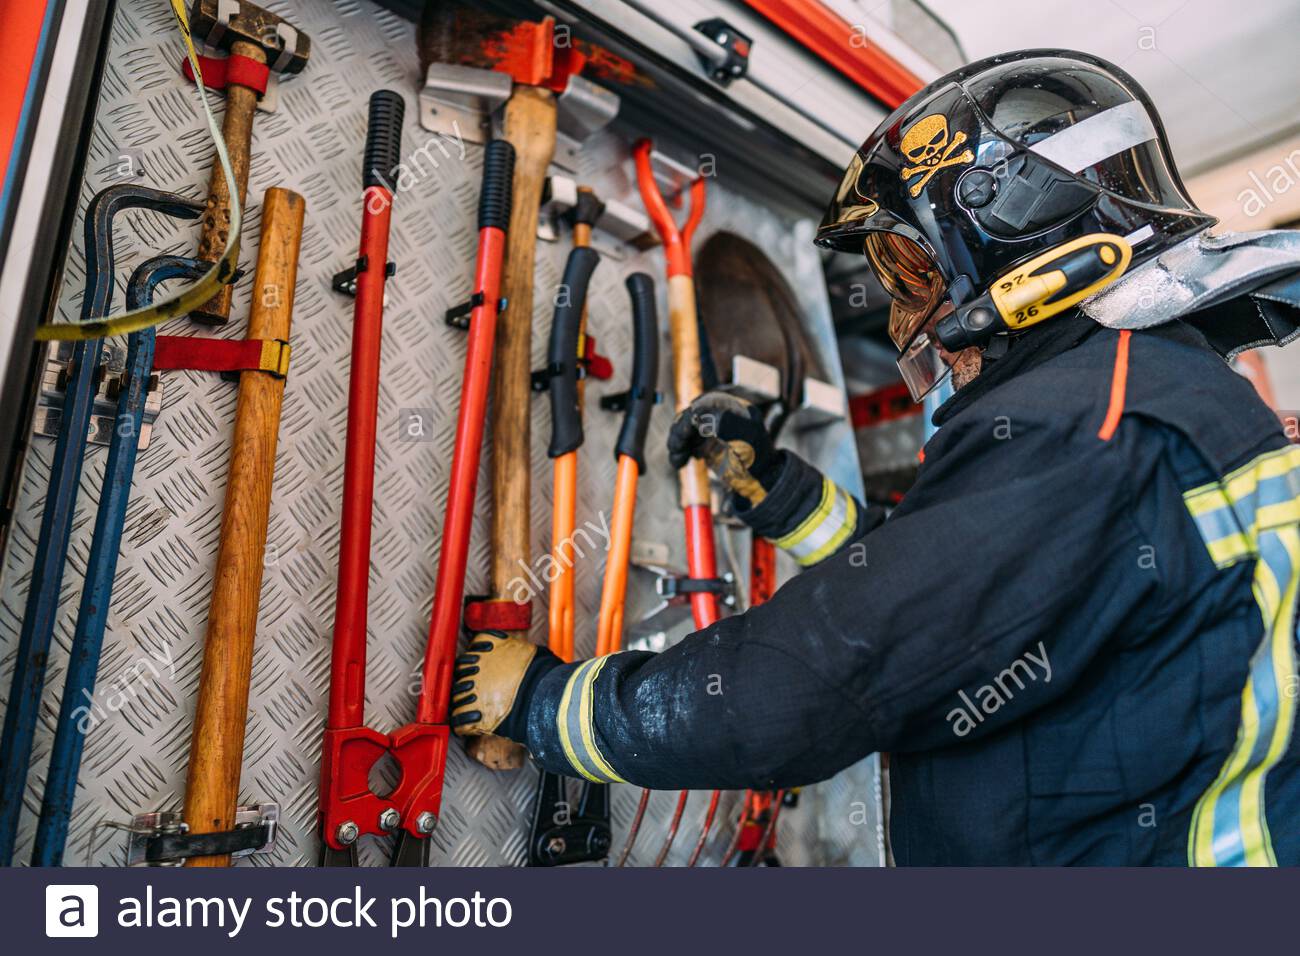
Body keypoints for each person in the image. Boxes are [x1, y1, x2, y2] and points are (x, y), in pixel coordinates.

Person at [449, 50, 1300, 865]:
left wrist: (549, 706)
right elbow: (954, 591)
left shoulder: (1087, 422)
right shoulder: (1149, 391)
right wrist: (781, 497)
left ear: (1016, 253)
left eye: (911, 268)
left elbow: (797, 692)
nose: (903, 315)